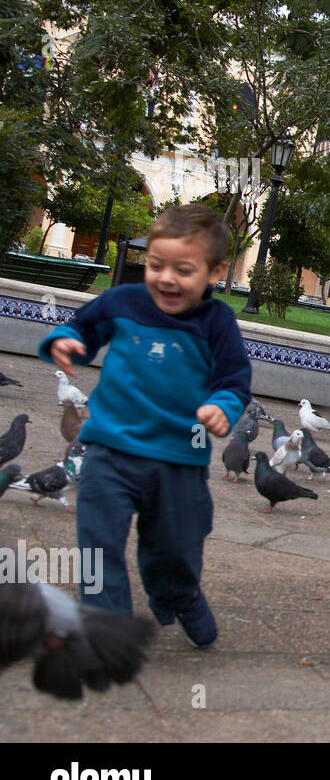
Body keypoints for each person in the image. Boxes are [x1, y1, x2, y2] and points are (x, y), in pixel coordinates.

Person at [39, 204, 251, 649]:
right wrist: (66, 341)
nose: (166, 278)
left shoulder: (218, 323)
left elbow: (233, 380)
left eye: (184, 269)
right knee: (98, 543)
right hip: (109, 449)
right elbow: (82, 328)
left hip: (177, 459)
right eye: (156, 265)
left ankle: (179, 594)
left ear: (214, 273)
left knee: (174, 545)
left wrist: (223, 406)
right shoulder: (123, 301)